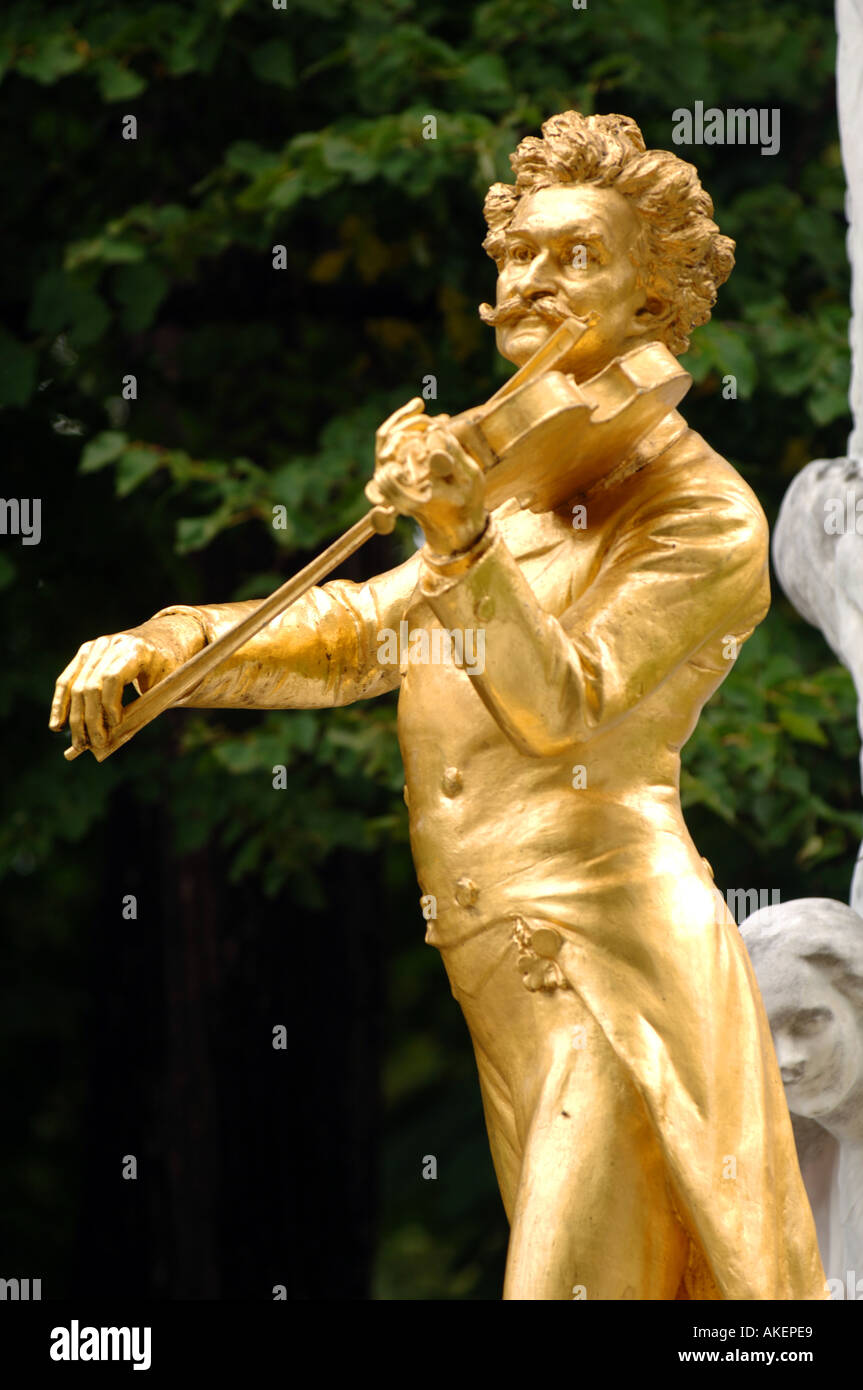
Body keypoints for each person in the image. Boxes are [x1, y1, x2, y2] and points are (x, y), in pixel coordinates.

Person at [50, 111, 826, 1299]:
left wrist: (460, 532)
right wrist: (171, 646)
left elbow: (563, 708)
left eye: (576, 257)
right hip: (494, 973)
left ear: (654, 297)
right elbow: (358, 629)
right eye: (517, 257)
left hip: (606, 968)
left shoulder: (701, 511)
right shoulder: (515, 490)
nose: (529, 284)